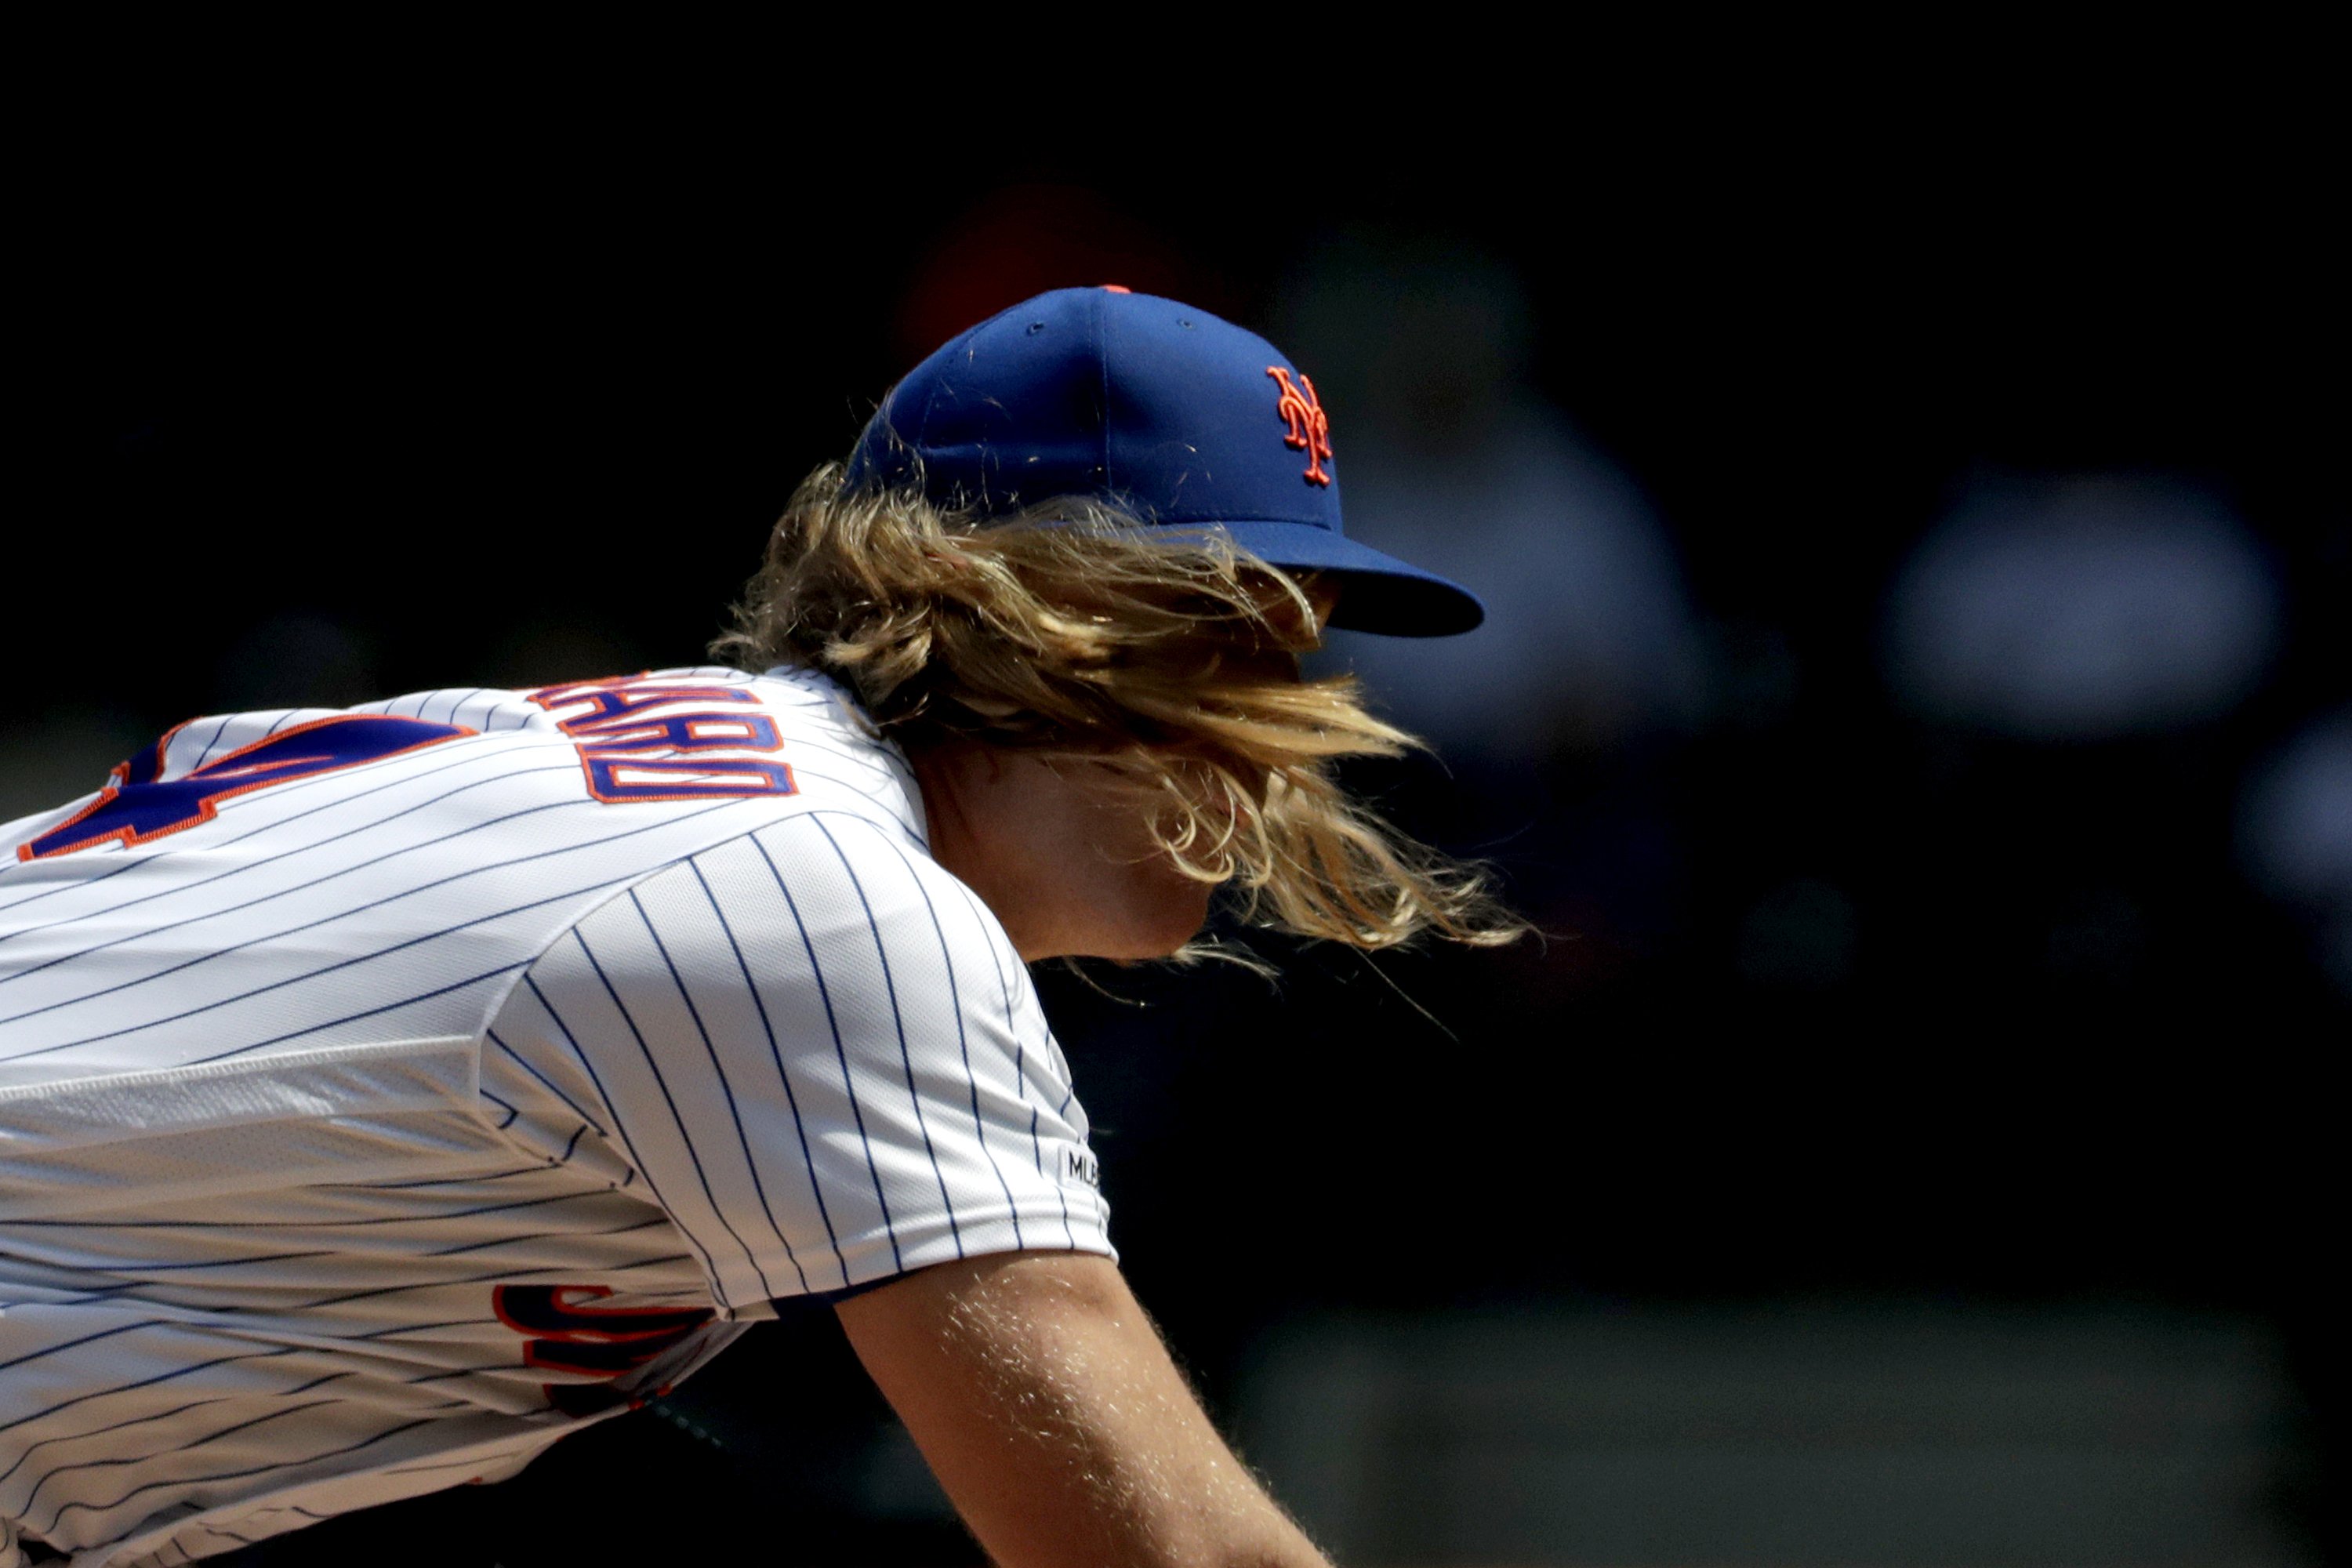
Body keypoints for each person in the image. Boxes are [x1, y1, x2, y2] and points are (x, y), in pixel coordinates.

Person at [0, 286, 1516, 1567]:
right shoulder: (823, 903)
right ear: (1020, 613)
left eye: (1294, 653)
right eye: (1224, 638)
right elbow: (1161, 1550)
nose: (1282, 730)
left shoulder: (659, 783)